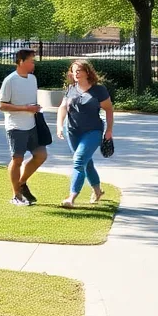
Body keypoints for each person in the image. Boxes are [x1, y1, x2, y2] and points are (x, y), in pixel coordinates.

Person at [57, 59, 113, 208]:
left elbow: (109, 109)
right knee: (86, 162)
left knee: (79, 160)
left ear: (87, 72)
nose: (75, 73)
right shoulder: (71, 89)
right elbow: (63, 107)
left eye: (78, 70)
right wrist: (59, 126)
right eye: (73, 71)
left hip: (93, 131)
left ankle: (71, 198)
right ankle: (98, 191)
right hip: (72, 132)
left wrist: (109, 130)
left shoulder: (98, 90)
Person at [0, 49, 48, 206]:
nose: (34, 63)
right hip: (15, 126)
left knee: (41, 155)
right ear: (21, 61)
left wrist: (34, 108)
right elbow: (2, 106)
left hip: (32, 124)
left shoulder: (32, 79)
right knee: (17, 159)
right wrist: (26, 108)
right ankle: (16, 196)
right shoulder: (10, 80)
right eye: (31, 61)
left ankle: (21, 182)